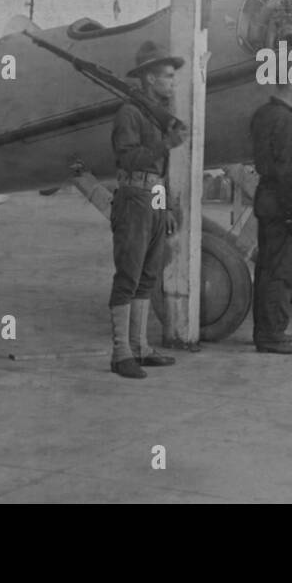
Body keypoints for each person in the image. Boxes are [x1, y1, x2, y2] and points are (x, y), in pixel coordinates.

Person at [108, 41, 187, 380]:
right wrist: (165, 143)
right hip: (133, 197)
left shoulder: (156, 115)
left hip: (152, 197)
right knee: (128, 274)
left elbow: (160, 168)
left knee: (148, 275)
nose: (173, 82)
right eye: (168, 77)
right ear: (150, 79)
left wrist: (166, 205)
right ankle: (120, 352)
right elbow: (128, 158)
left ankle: (139, 347)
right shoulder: (130, 113)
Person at [249, 79, 292, 353]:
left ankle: (266, 330)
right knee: (281, 272)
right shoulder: (287, 121)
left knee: (266, 269)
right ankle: (271, 335)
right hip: (281, 205)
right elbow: (289, 171)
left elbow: (271, 162)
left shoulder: (262, 115)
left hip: (266, 199)